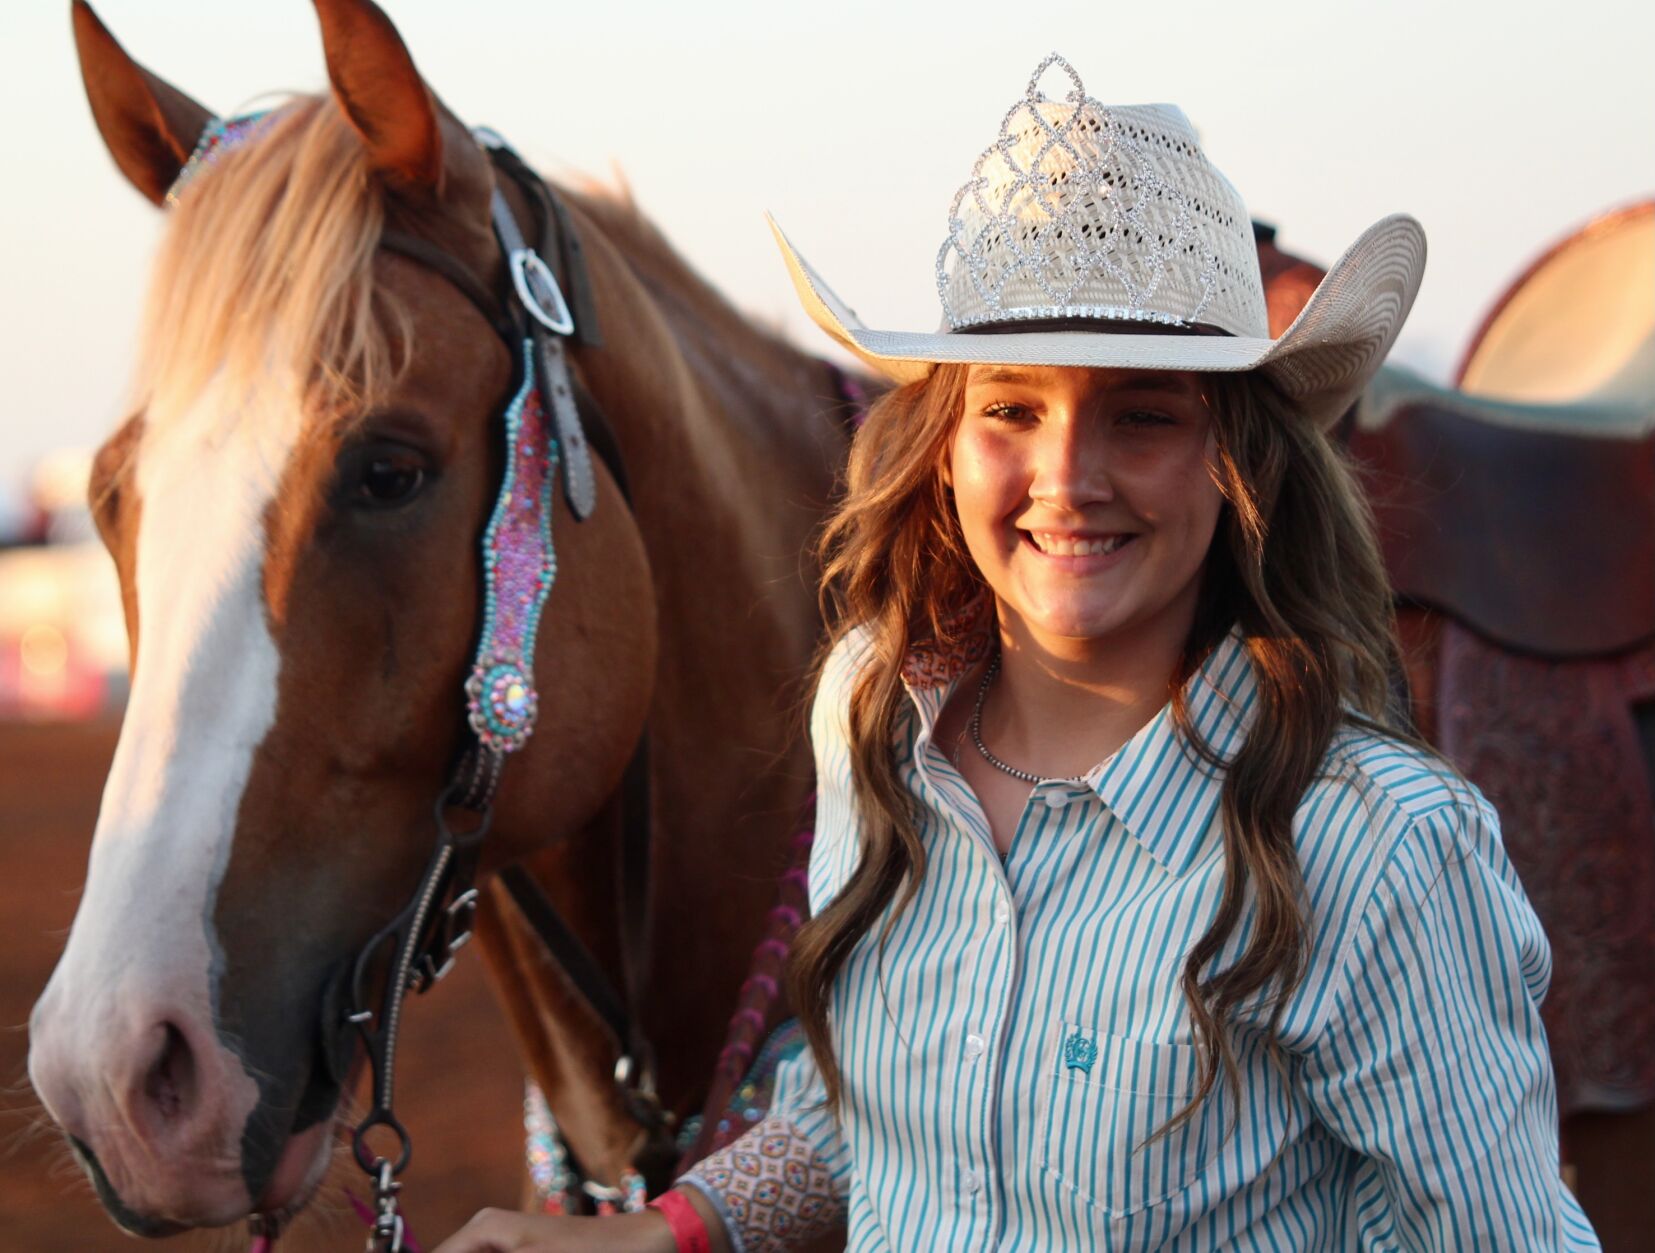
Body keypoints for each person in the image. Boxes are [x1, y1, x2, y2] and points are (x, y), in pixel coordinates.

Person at [436, 53, 1599, 1253]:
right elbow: (875, 1109)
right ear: (942, 443)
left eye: (1143, 412)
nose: (1066, 478)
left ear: (1235, 461)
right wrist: (657, 1232)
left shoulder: (1373, 844)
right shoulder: (873, 716)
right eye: (1009, 407)